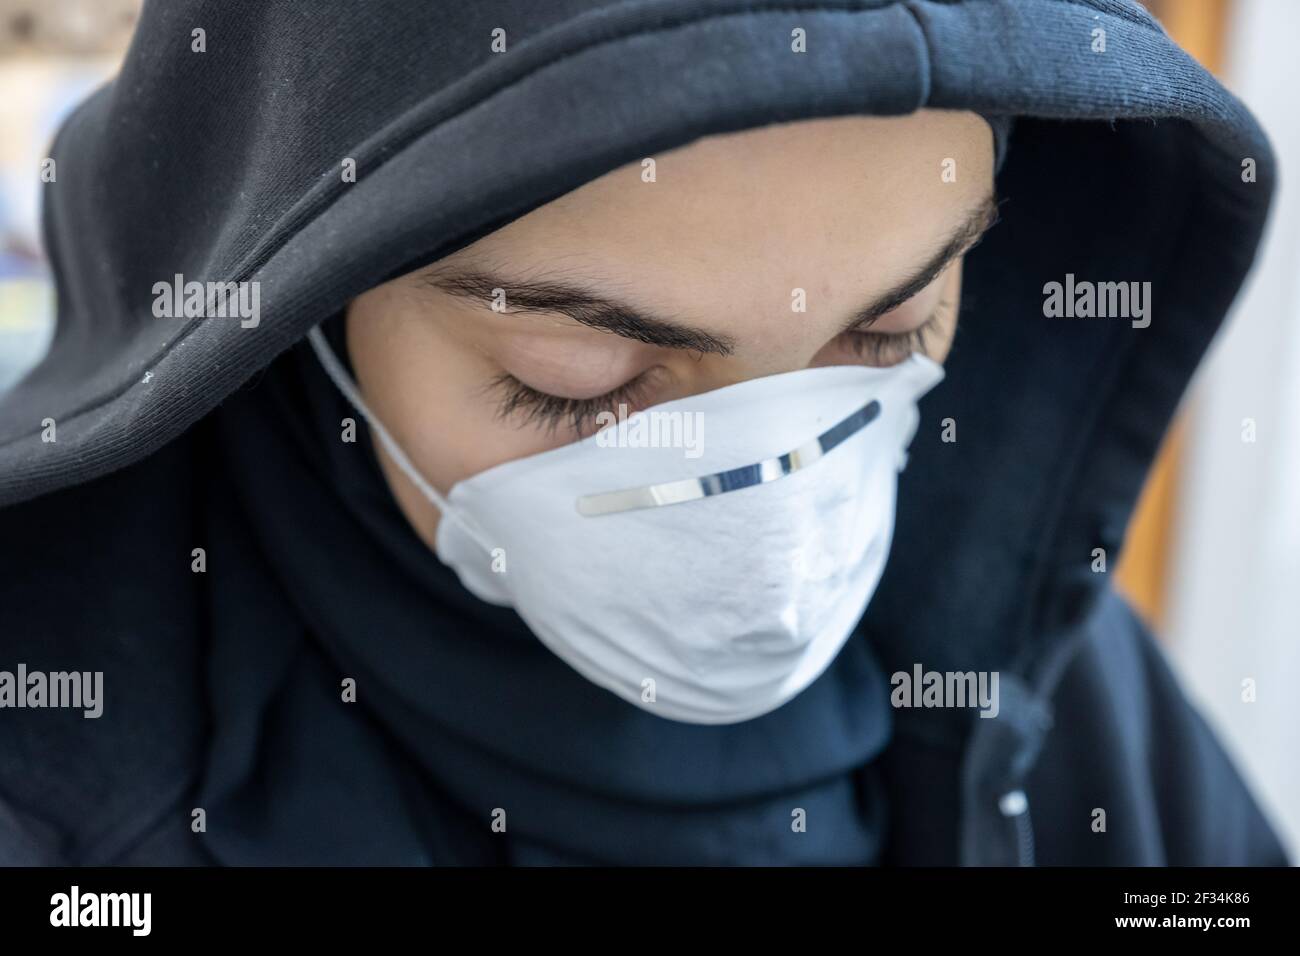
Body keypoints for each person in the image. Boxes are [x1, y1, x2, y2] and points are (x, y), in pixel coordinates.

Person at [0, 0, 1287, 865]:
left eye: (888, 337)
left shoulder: (1032, 650)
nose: (770, 510)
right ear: (301, 303)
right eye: (582, 378)